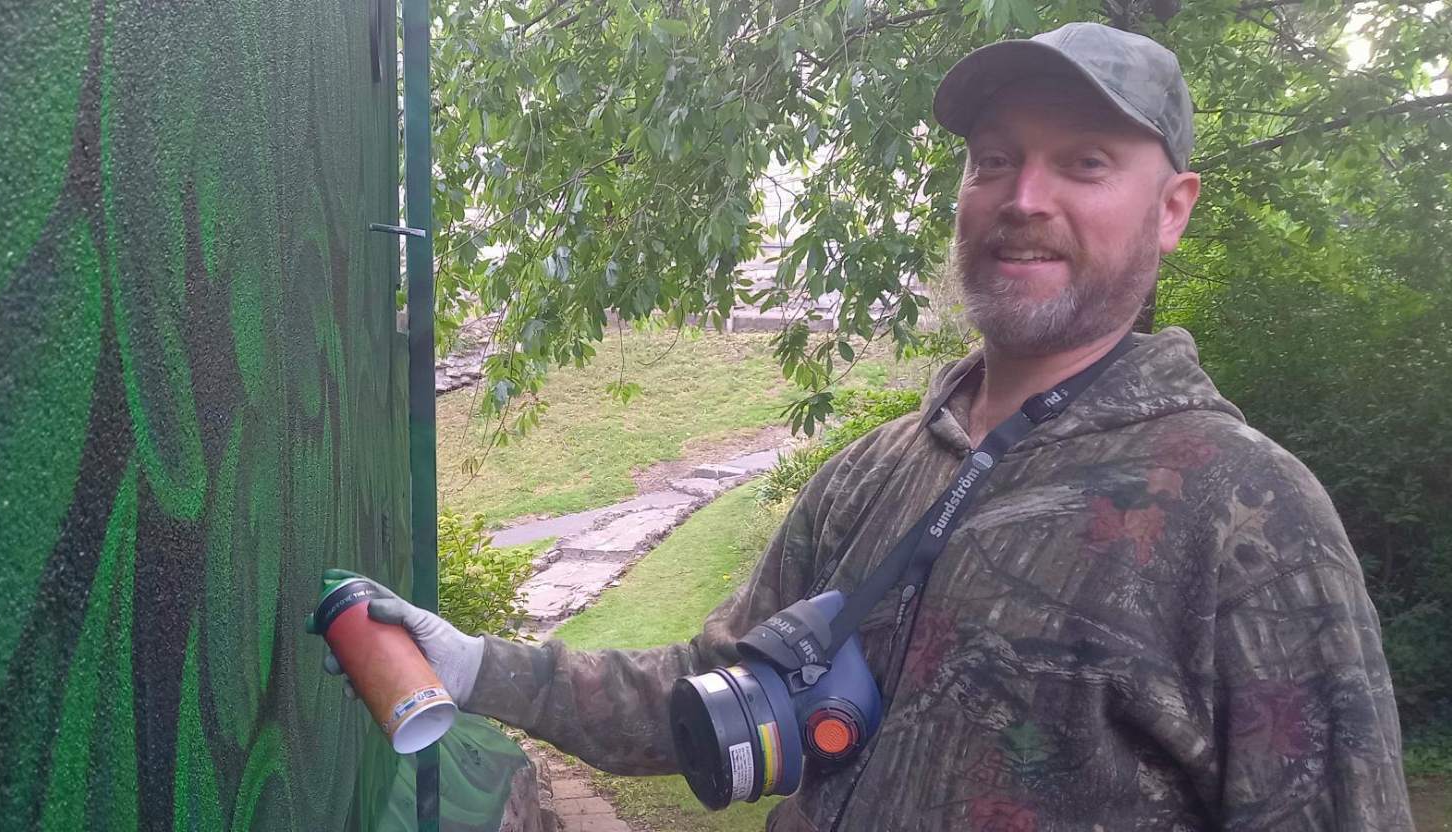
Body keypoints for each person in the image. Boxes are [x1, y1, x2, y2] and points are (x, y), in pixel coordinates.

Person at [319, 22, 1413, 831]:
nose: (1023, 195)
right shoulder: (869, 475)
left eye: (1084, 162)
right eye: (993, 159)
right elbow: (701, 688)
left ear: (1172, 208)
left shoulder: (1247, 513)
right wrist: (473, 669)